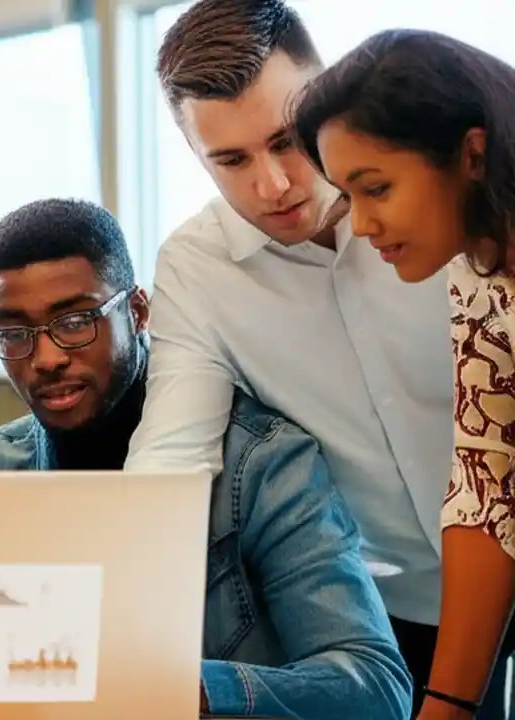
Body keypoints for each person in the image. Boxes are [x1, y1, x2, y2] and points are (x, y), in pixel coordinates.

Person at [121, 0, 473, 713]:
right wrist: (109, 645)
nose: (274, 184)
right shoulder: (196, 270)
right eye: (232, 159)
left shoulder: (440, 201)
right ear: (195, 156)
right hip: (391, 615)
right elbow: (172, 461)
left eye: (286, 140)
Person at [0, 198, 412, 719]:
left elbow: (375, 690)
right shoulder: (0, 463)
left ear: (137, 312)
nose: (46, 358)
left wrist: (177, 689)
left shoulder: (262, 463)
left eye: (75, 321)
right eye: (15, 335)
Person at [290, 28, 515, 720]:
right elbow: (485, 485)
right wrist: (443, 707)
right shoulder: (477, 279)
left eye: (376, 187)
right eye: (347, 194)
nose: (360, 224)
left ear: (471, 153)